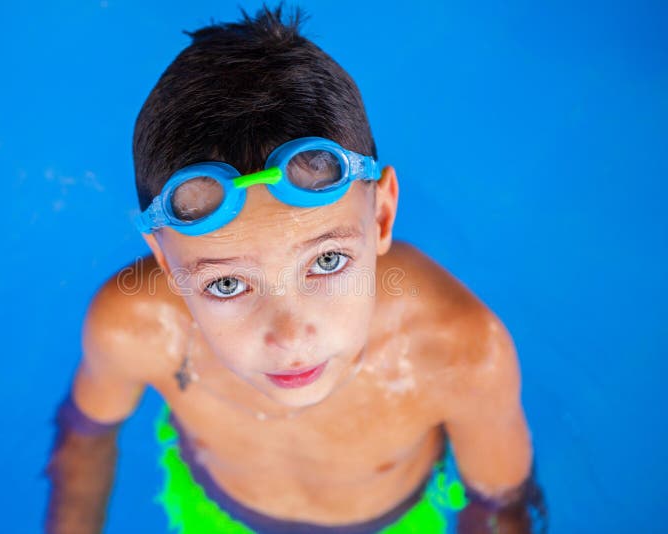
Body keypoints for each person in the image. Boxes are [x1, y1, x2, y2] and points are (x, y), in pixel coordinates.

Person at [43, 5, 546, 533]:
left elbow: (500, 507)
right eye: (227, 283)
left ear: (380, 215)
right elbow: (85, 442)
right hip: (210, 509)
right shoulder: (136, 329)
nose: (289, 335)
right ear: (166, 260)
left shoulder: (459, 354)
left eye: (326, 261)